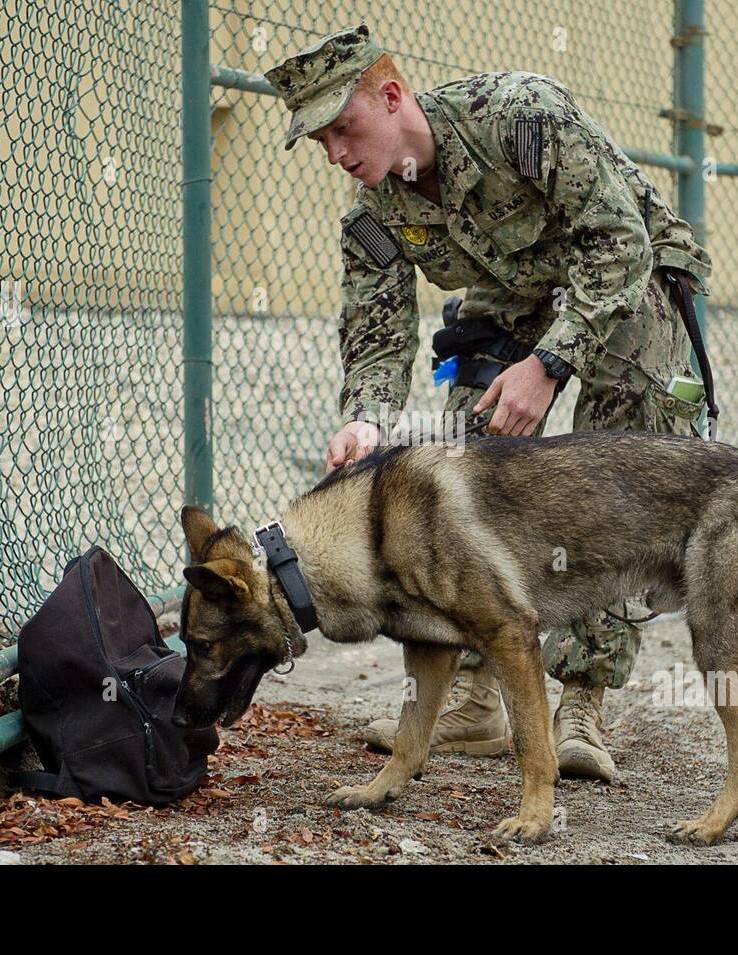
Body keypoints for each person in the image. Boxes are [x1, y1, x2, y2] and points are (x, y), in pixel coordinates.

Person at [264, 24, 713, 780]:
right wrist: (367, 418)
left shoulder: (519, 117)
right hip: (514, 300)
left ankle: (582, 703)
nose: (337, 152)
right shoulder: (370, 217)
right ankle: (476, 698)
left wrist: (549, 364)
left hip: (628, 279)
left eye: (345, 126)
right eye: (320, 141)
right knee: (458, 468)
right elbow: (376, 335)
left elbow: (618, 243)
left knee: (617, 468)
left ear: (394, 95)